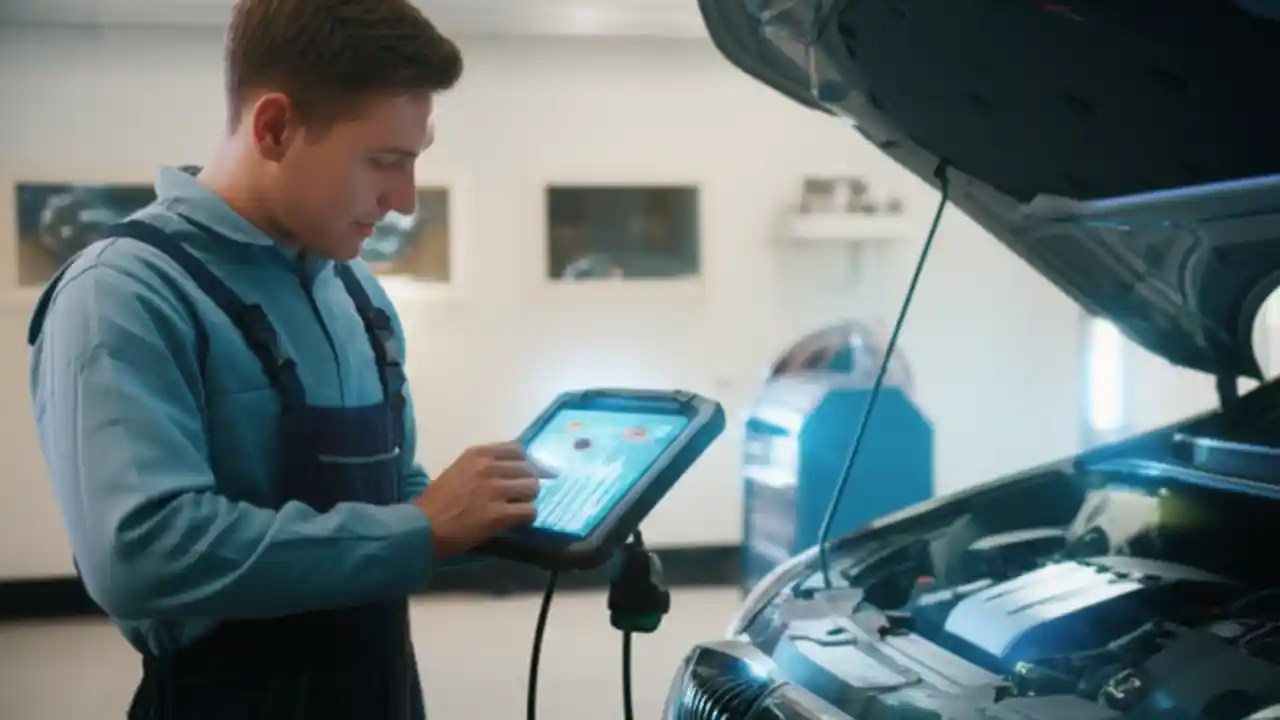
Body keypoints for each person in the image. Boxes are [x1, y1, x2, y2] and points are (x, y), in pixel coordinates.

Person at [26, 1, 546, 718]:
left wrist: (507, 516)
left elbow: (395, 497)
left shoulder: (356, 293)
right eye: (384, 162)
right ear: (275, 127)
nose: (403, 200)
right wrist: (424, 527)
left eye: (413, 162)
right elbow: (143, 555)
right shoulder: (124, 291)